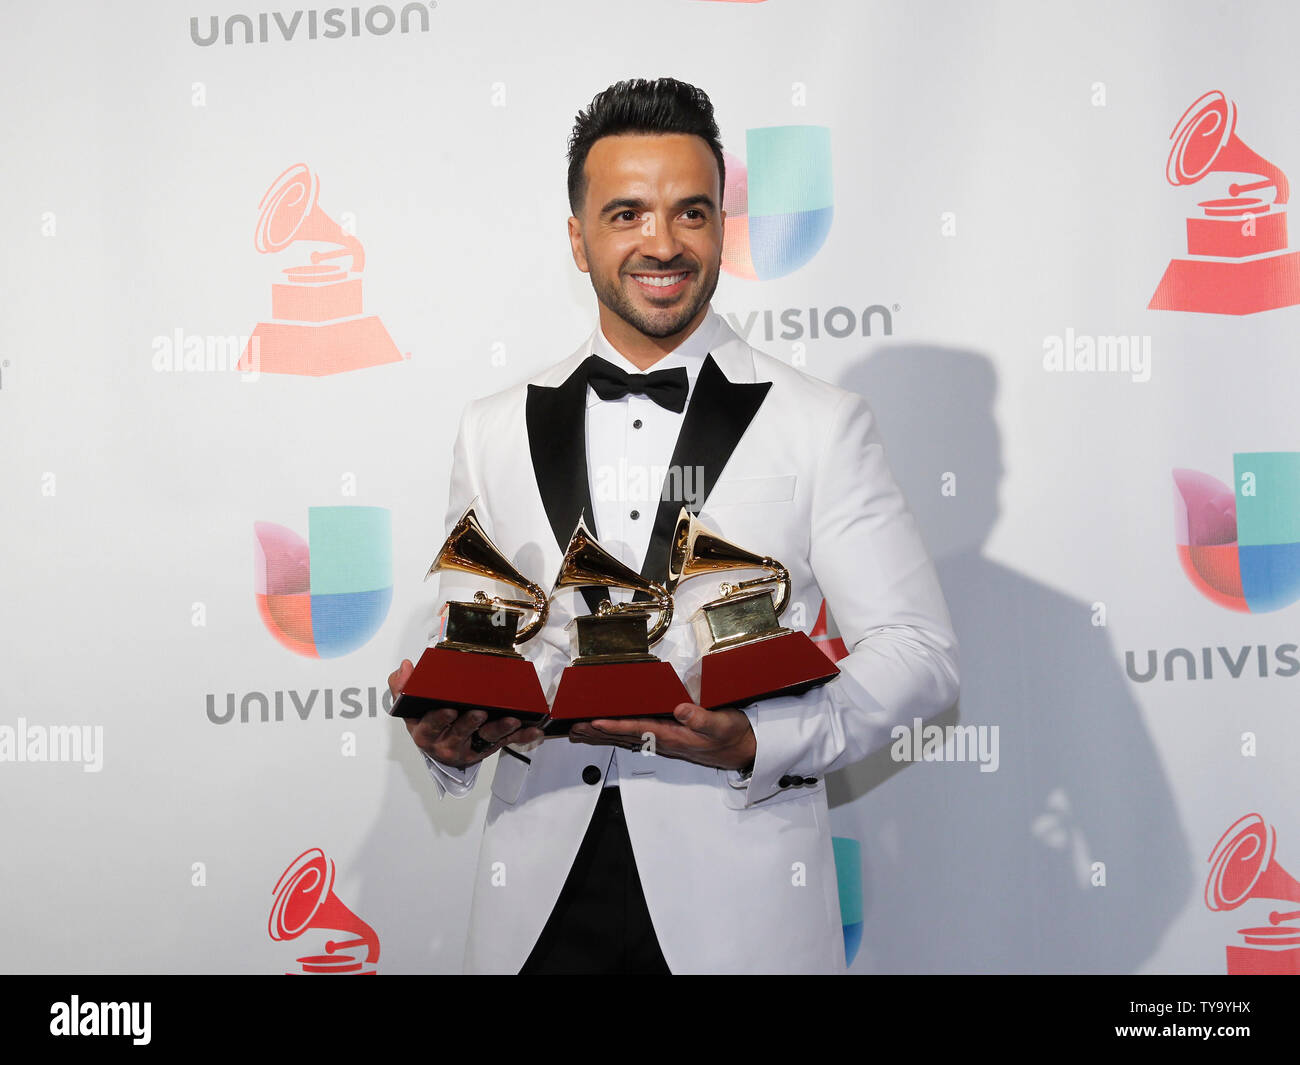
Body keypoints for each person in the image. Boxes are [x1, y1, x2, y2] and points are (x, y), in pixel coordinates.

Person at [388, 77, 958, 974]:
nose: (662, 243)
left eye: (691, 213)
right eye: (626, 213)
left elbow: (918, 650)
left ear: (721, 229)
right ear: (577, 239)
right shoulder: (489, 426)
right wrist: (454, 727)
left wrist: (764, 739)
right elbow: (472, 624)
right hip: (537, 897)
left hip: (739, 905)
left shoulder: (819, 421)